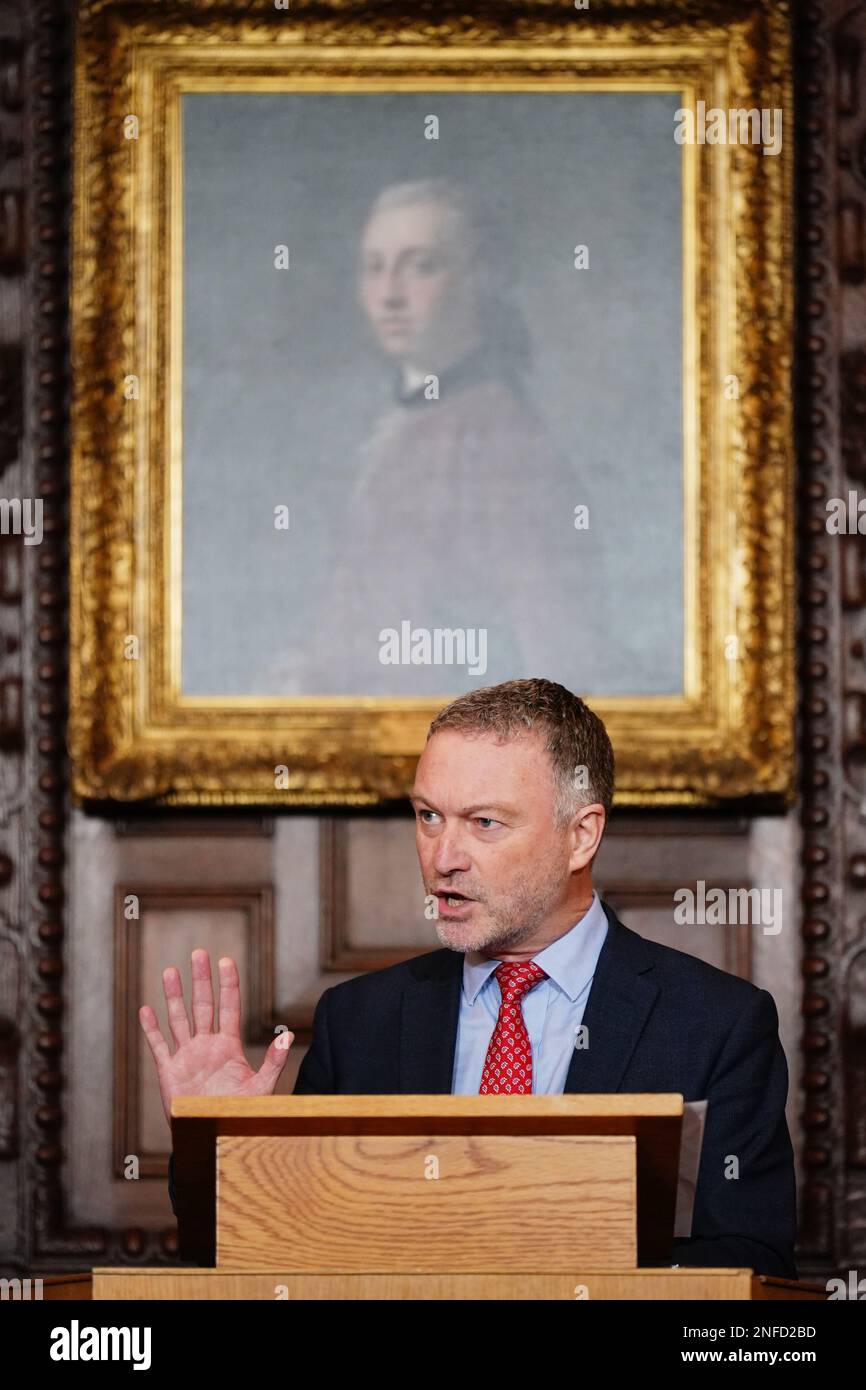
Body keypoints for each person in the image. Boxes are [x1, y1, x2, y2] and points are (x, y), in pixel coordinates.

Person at [140, 677, 798, 1277]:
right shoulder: (358, 1022)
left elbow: (746, 1269)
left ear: (581, 836)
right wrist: (224, 1153)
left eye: (485, 823)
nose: (443, 859)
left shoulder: (717, 1025)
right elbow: (273, 1261)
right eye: (429, 817)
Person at [281, 178, 612, 695]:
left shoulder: (501, 439)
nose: (390, 293)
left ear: (479, 280)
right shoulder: (402, 424)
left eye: (421, 266)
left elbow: (554, 658)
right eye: (374, 268)